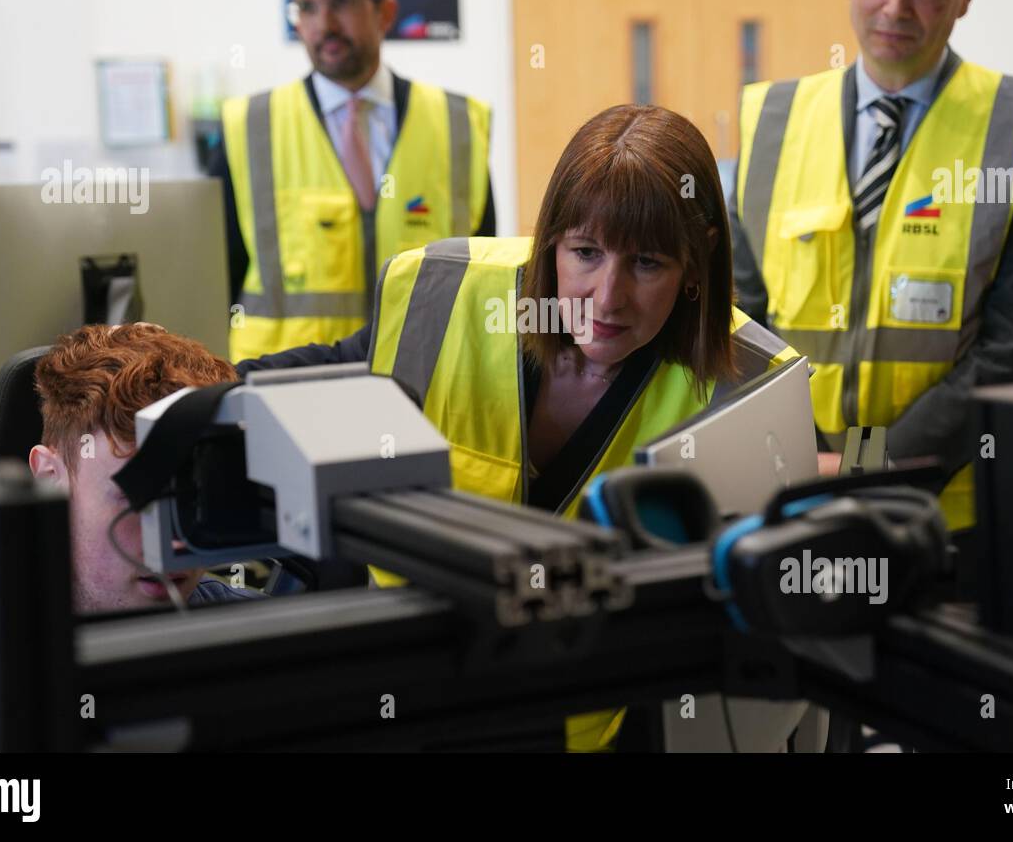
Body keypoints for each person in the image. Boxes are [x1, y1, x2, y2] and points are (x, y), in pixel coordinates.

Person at [239, 103, 808, 751]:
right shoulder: (447, 294)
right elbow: (310, 377)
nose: (607, 296)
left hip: (585, 733)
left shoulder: (751, 384)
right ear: (551, 243)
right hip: (402, 710)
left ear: (697, 263)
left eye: (647, 263)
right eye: (585, 253)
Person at [729, 0, 1013, 541]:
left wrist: (867, 469)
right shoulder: (770, 120)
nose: (895, 6)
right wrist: (810, 462)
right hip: (795, 497)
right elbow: (744, 321)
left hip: (952, 515)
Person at [0, 324, 262, 686]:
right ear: (49, 478)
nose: (175, 542)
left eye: (193, 499)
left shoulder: (267, 640)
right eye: (137, 500)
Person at [212, 0, 495, 364]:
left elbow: (486, 270)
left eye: (341, 3)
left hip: (426, 380)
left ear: (385, 12)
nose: (323, 24)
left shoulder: (457, 122)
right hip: (289, 387)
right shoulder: (249, 126)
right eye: (306, 8)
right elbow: (218, 280)